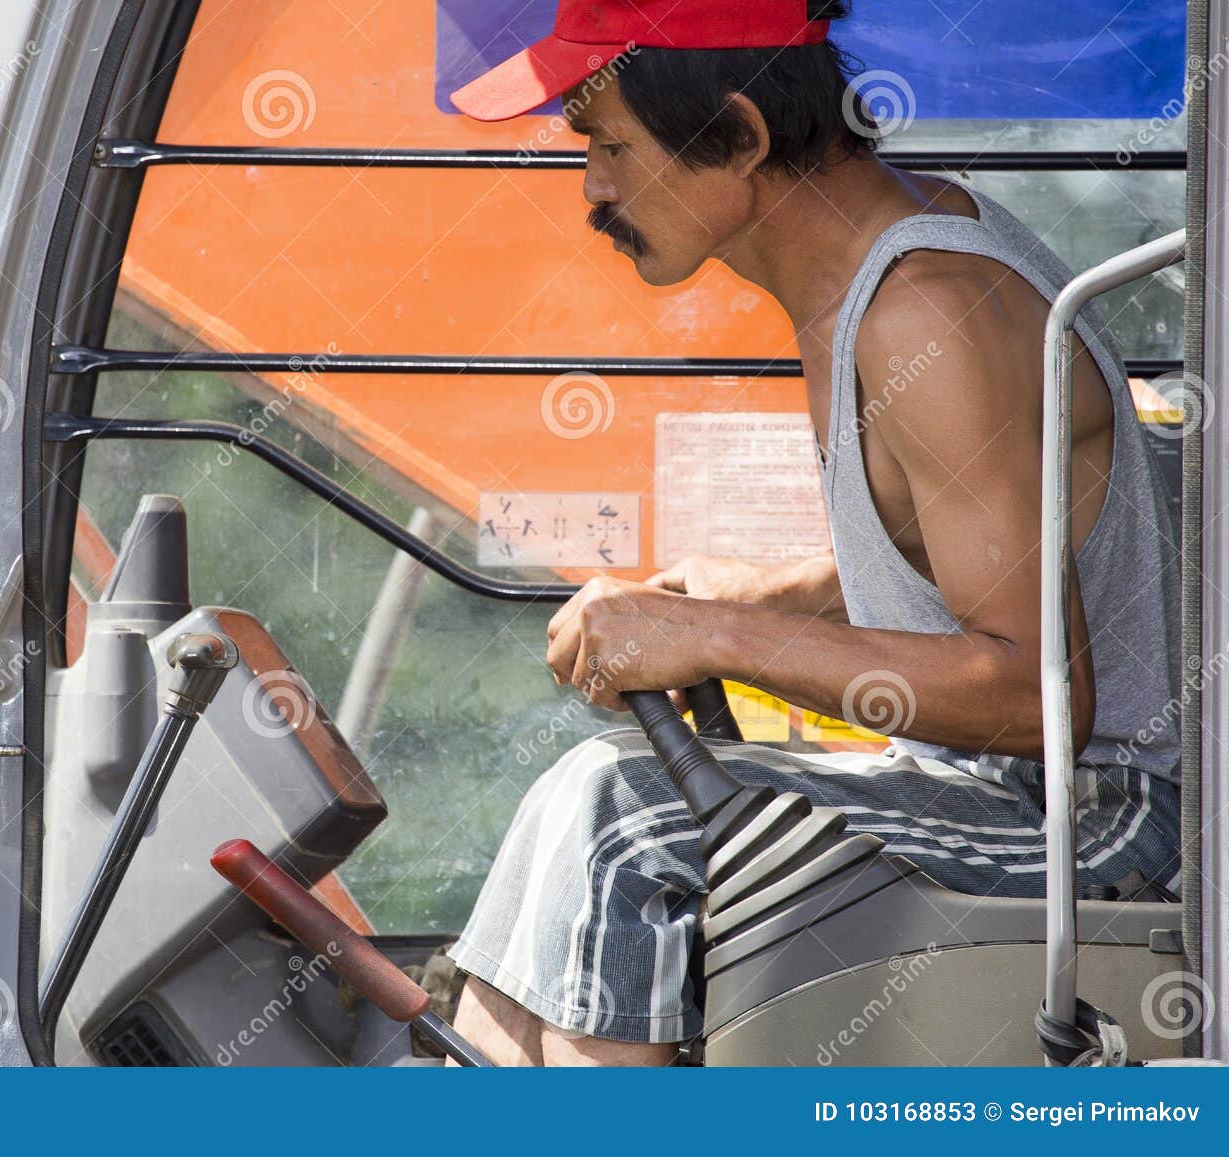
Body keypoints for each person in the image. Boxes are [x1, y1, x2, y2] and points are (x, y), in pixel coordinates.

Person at [441, 0, 1182, 1066]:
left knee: (617, 812)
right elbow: (981, 542)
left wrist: (714, 642)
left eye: (610, 147)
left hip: (1102, 824)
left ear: (739, 136)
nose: (594, 188)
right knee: (588, 807)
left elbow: (1033, 697)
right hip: (1013, 793)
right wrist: (757, 597)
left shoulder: (920, 311)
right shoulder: (881, 258)